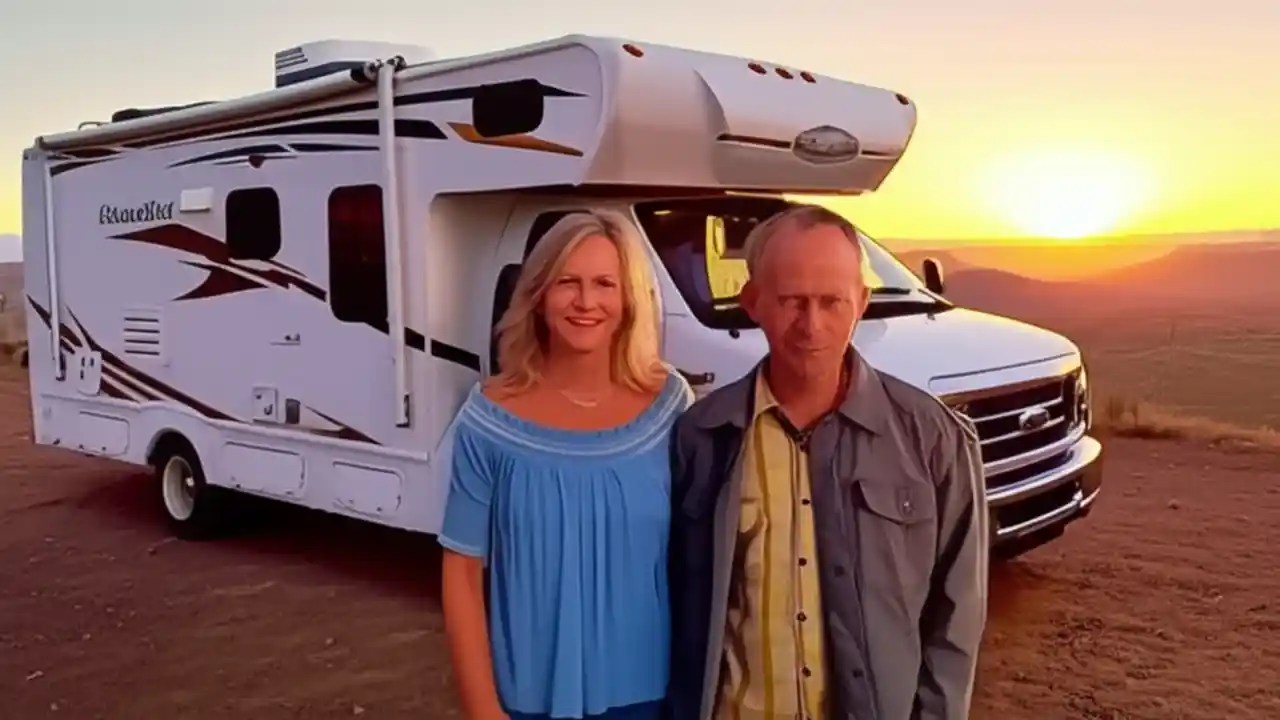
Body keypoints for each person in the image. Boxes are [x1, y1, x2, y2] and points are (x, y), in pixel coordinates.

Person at [666, 204, 989, 720]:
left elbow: (956, 619)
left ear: (861, 302)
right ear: (753, 302)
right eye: (791, 300)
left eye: (831, 301)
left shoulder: (933, 439)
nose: (811, 325)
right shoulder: (701, 438)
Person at [438, 210, 693, 720]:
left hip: (652, 698)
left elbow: (696, 557)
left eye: (604, 283)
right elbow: (462, 574)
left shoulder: (670, 405)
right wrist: (483, 710)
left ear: (628, 300)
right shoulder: (489, 420)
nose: (585, 301)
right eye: (567, 283)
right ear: (538, 296)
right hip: (529, 700)